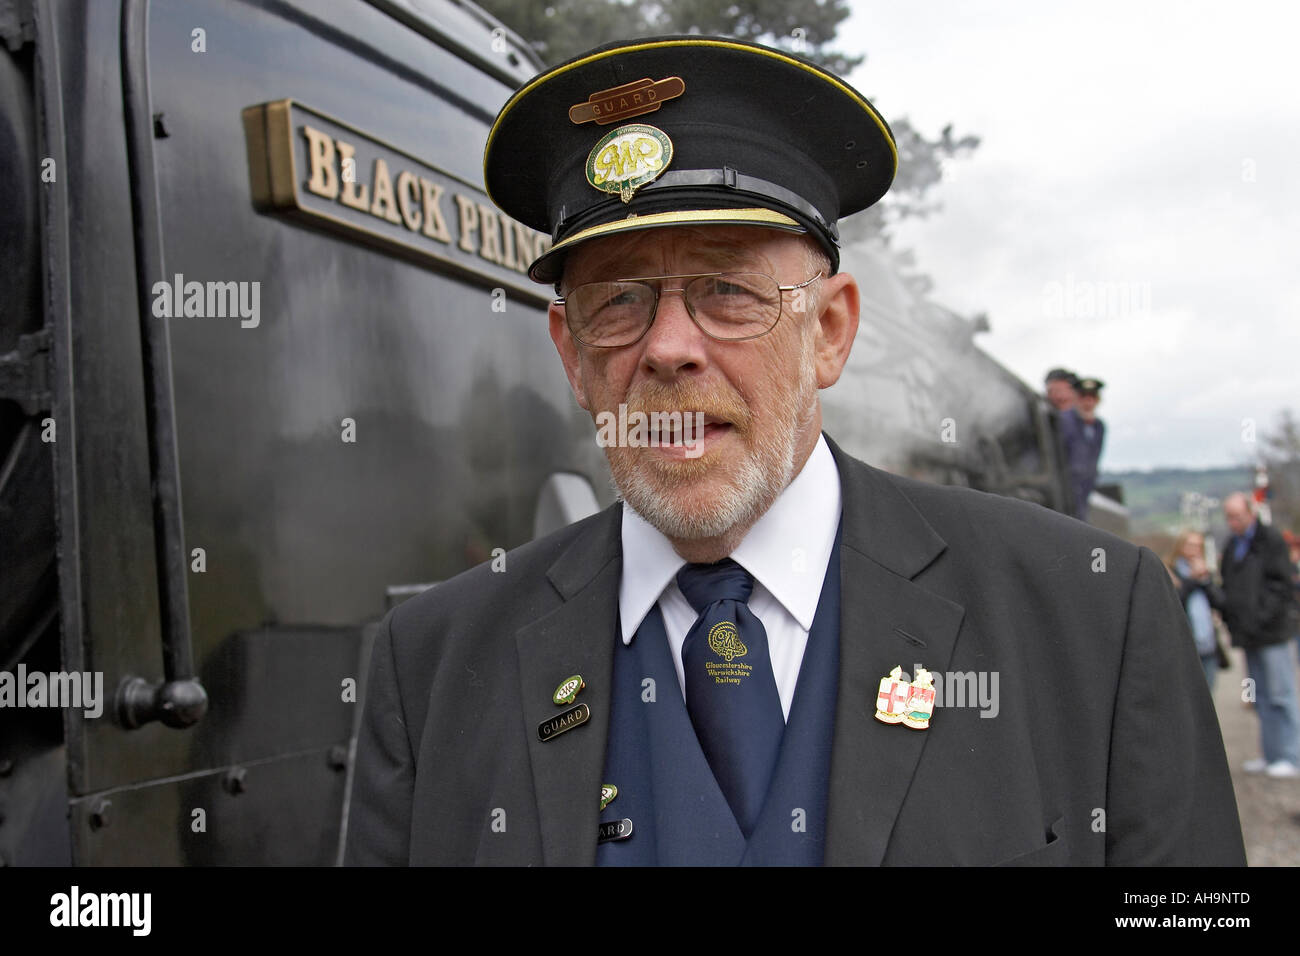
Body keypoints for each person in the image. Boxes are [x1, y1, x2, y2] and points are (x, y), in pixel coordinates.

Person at [346, 35, 1244, 865]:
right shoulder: (430, 669)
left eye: (727, 289)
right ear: (572, 354)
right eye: (617, 301)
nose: (666, 348)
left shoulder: (1092, 617)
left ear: (830, 331)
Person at [1220, 492, 1300, 778]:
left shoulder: (1271, 540)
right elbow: (1229, 586)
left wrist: (1261, 618)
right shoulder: (1232, 546)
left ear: (1250, 513)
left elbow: (1281, 586)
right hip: (1249, 636)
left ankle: (1291, 756)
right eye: (1228, 517)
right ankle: (1270, 754)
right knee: (1260, 696)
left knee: (1281, 694)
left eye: (1237, 517)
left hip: (1272, 633)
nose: (1232, 522)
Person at [1167, 530, 1225, 689]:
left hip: (1207, 644)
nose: (1195, 550)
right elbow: (1174, 603)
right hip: (1185, 647)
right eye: (1191, 545)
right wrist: (1192, 580)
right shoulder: (1171, 571)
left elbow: (1220, 602)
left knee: (1209, 697)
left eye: (1199, 546)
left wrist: (1205, 581)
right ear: (1180, 546)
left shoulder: (1205, 573)